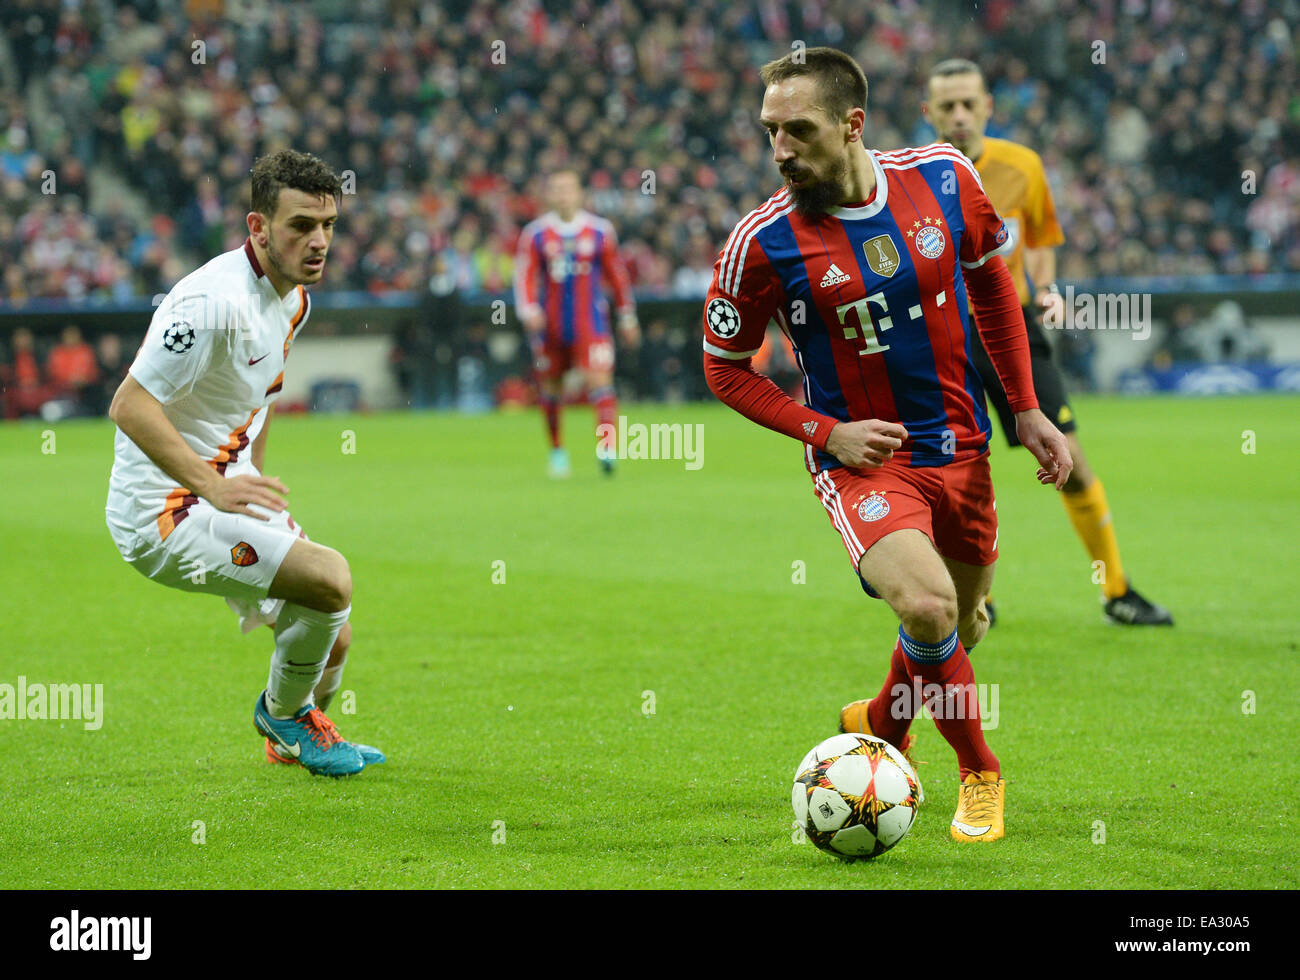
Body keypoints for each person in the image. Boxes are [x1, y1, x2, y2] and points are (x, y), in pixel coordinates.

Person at [704, 47, 1074, 842]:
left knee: (964, 625)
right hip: (862, 463)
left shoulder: (944, 178)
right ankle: (980, 774)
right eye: (770, 131)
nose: (780, 149)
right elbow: (724, 369)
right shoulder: (760, 243)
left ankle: (880, 723)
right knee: (930, 604)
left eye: (797, 130)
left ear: (852, 124)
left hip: (963, 447)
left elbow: (993, 286)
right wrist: (826, 431)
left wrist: (1028, 410)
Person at [106, 149, 383, 777]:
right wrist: (212, 485)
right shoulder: (210, 303)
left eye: (329, 225)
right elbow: (129, 406)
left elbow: (261, 395)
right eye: (300, 226)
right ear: (257, 228)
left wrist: (248, 477)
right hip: (164, 512)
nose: (319, 241)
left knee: (333, 633)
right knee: (332, 579)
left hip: (223, 488)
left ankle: (296, 733)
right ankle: (283, 718)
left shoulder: (292, 300)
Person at [923, 58, 1173, 626]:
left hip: (1009, 325)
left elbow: (1037, 236)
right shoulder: (906, 175)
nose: (959, 115)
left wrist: (1046, 286)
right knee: (944, 475)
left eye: (969, 103)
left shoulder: (1022, 166)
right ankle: (968, 595)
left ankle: (1116, 590)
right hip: (936, 338)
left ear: (988, 104)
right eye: (947, 106)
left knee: (1073, 462)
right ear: (928, 113)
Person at [514, 170, 640, 477]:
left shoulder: (599, 231)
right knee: (551, 388)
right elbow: (525, 275)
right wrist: (528, 309)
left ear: (580, 193)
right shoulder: (536, 234)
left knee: (600, 382)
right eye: (556, 189)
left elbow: (617, 276)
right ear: (548, 195)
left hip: (591, 324)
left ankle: (607, 449)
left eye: (568, 189)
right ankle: (557, 452)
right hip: (551, 326)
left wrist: (627, 316)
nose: (562, 195)